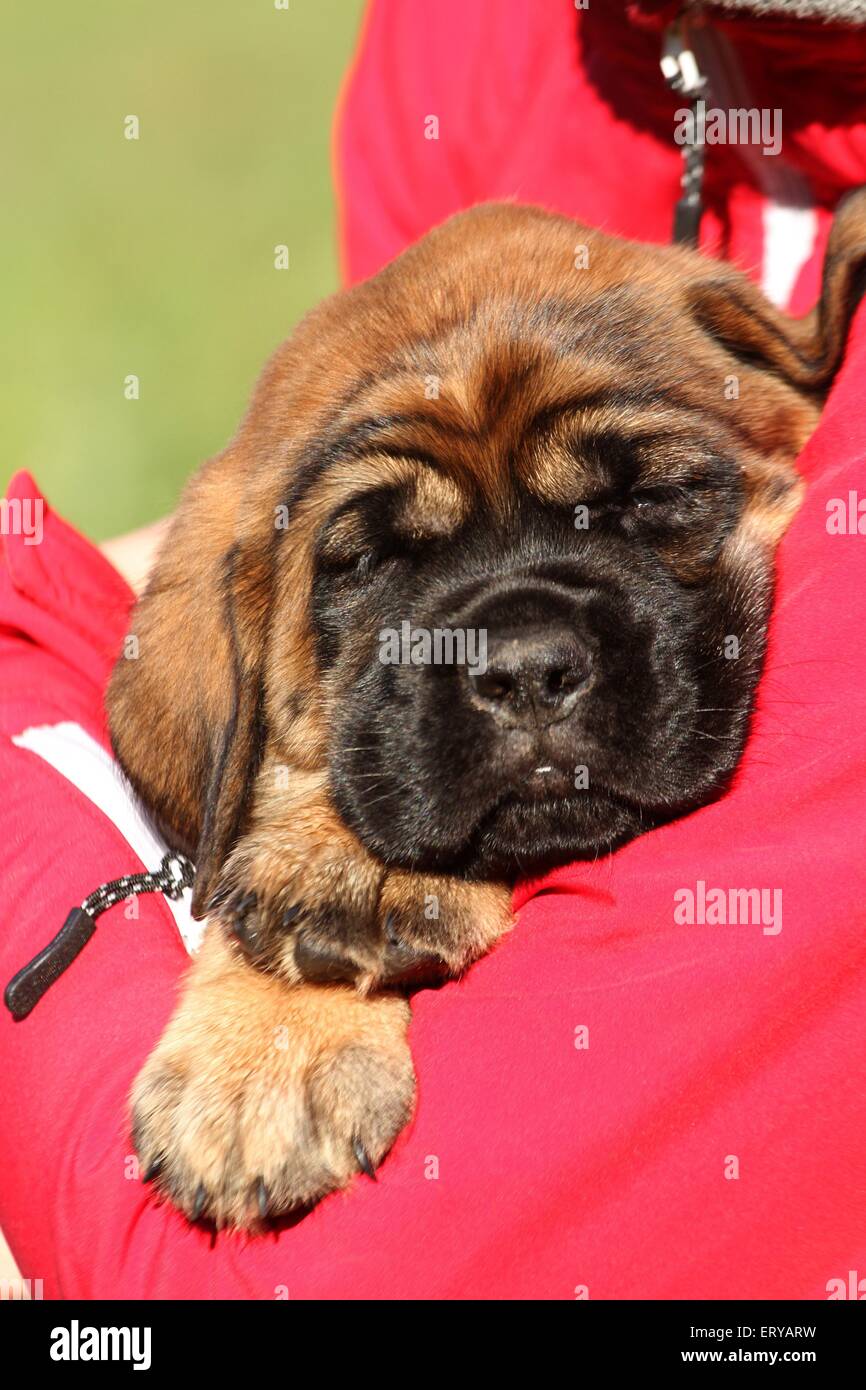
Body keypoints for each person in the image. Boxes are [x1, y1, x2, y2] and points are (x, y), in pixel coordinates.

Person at [2, 0, 865, 1298]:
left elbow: (239, 1286)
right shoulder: (478, 41)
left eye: (649, 503)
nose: (519, 656)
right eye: (382, 559)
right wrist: (300, 900)